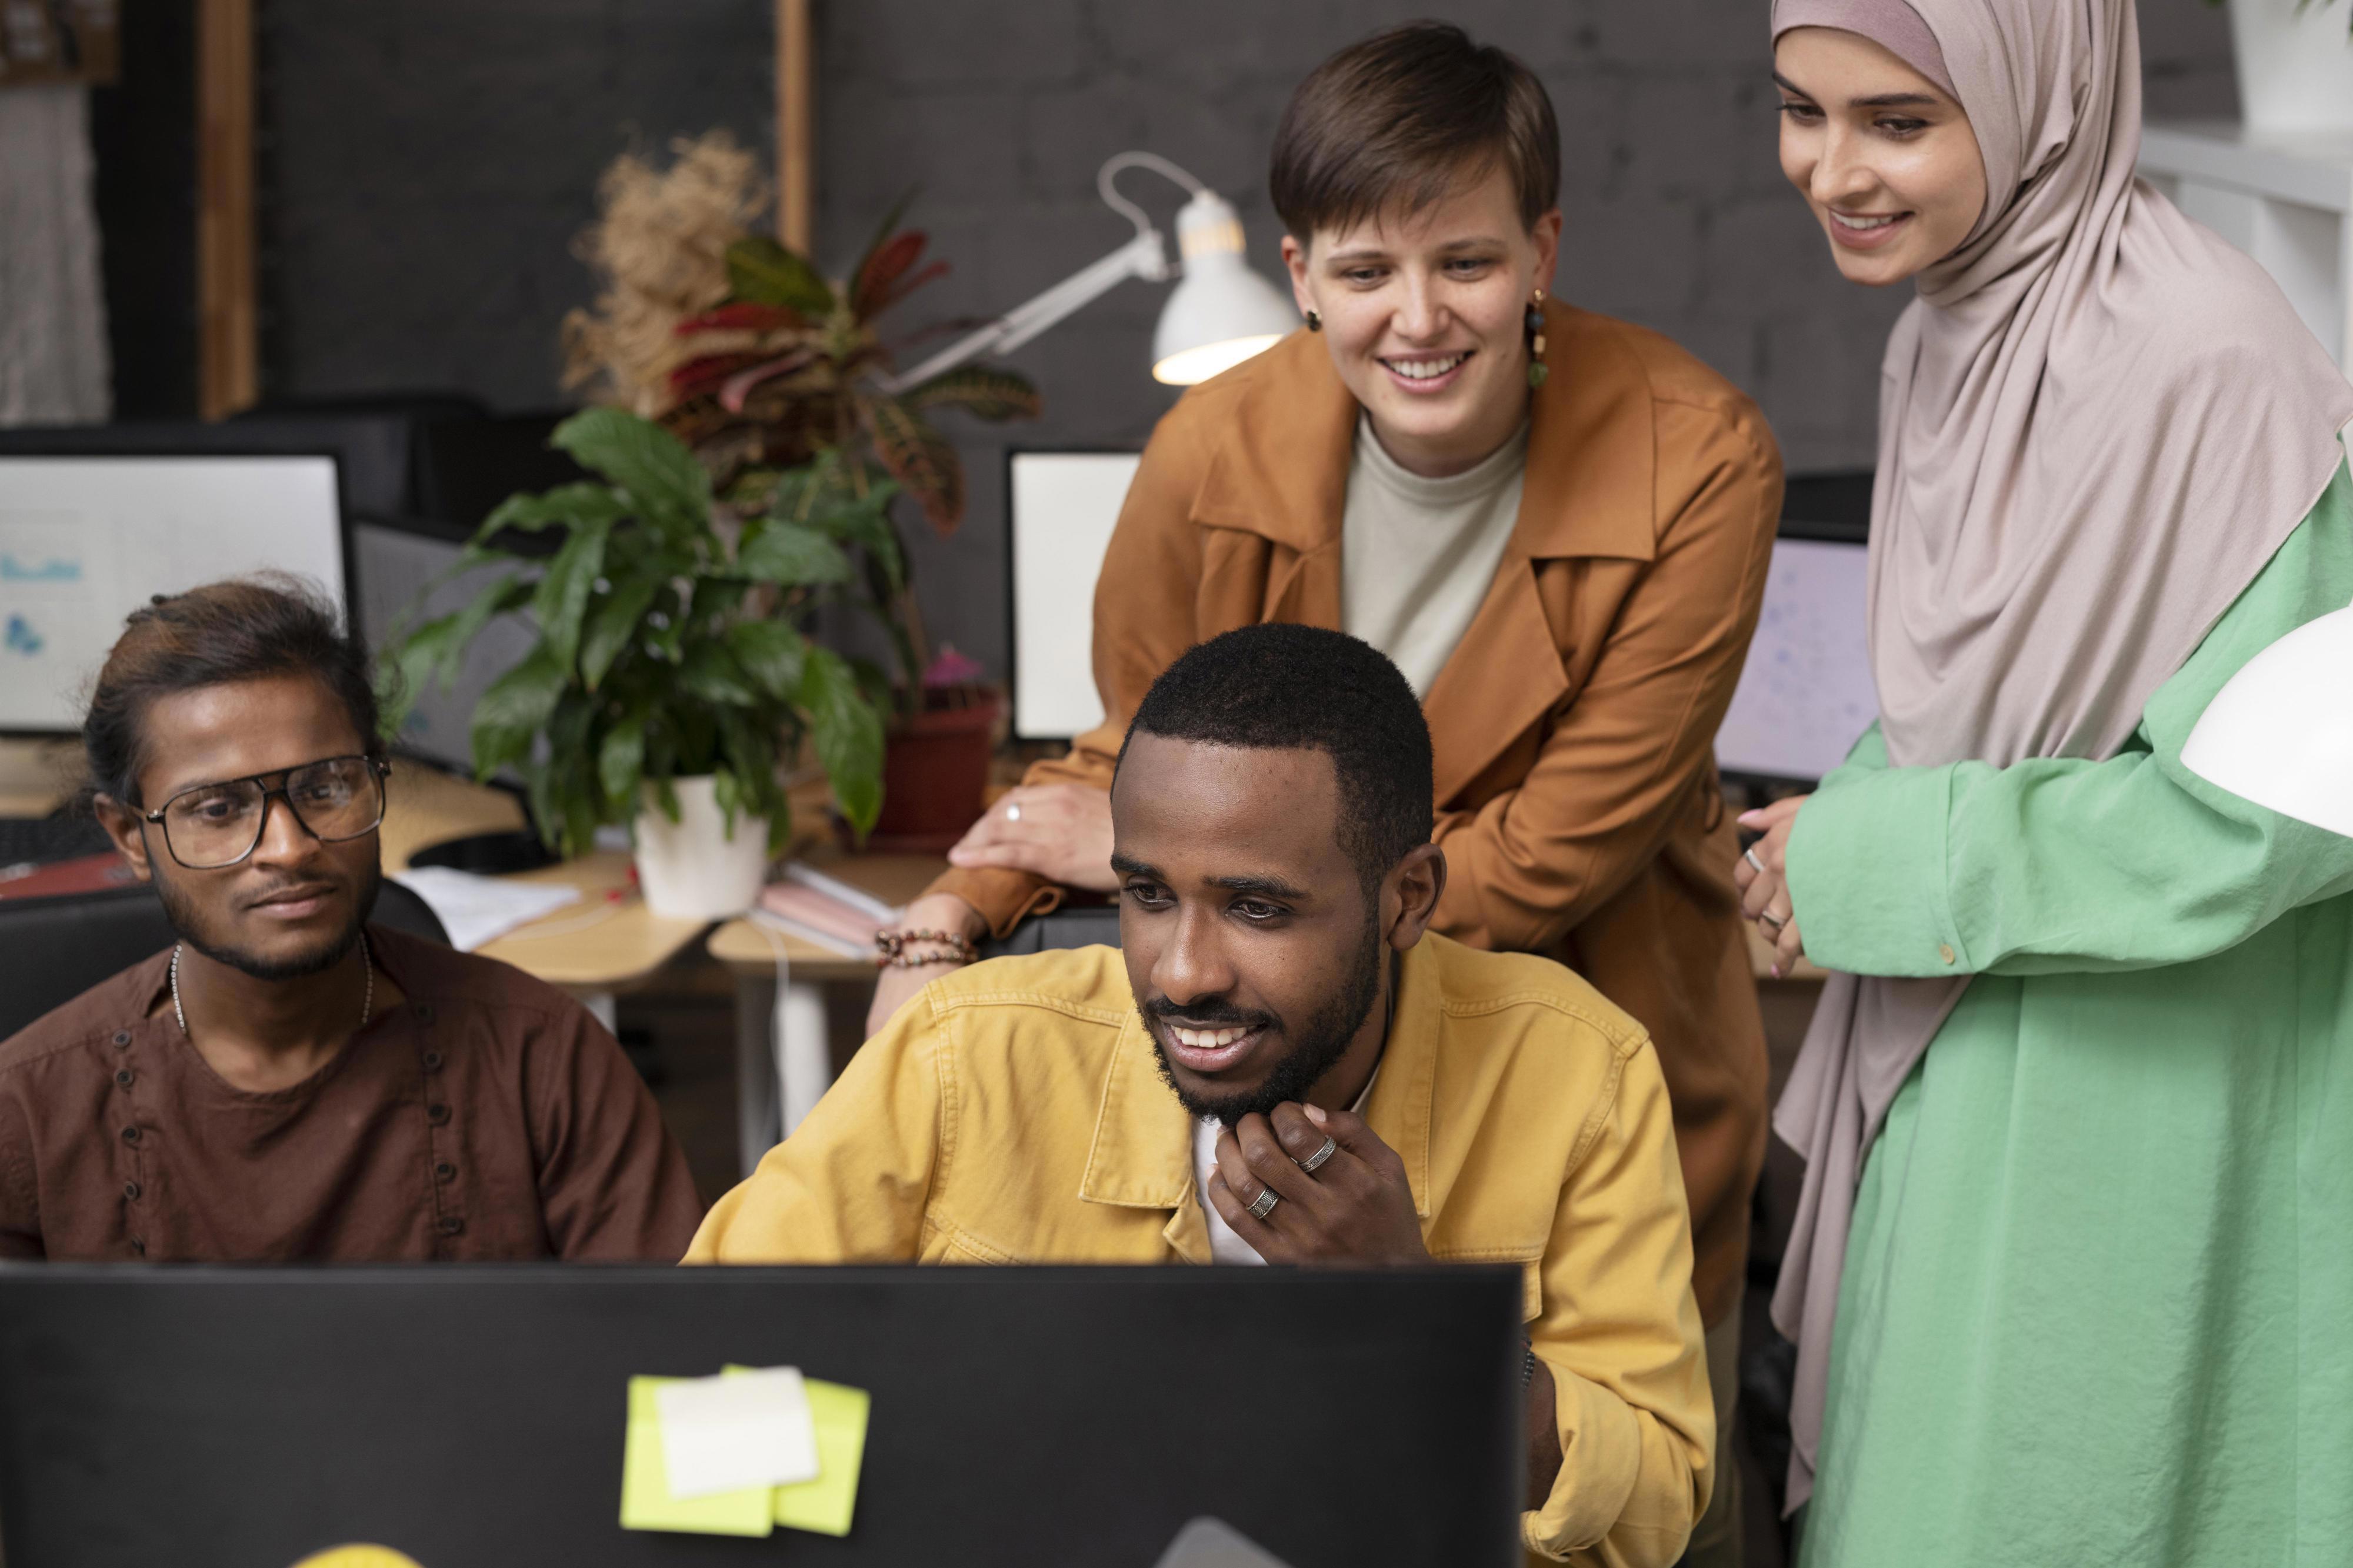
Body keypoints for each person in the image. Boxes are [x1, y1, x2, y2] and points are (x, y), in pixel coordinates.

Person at [871, 28, 1781, 1557]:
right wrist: (946, 919)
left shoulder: (1699, 461)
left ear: (1544, 250)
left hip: (1583, 1043)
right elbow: (1137, 754)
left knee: (1609, 1493)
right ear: (1297, 273)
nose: (1417, 319)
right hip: (1309, 1063)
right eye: (1366, 272)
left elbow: (1553, 859)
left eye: (1469, 262)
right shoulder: (1210, 446)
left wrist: (1169, 859)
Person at [696, 625, 1713, 1566]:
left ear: (1407, 898)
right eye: (1146, 895)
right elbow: (695, 1397)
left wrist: (1422, 1319)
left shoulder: (1581, 1070)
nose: (1182, 973)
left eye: (1257, 907)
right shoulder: (968, 1053)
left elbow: (1657, 1511)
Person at [1740, 4, 2353, 1561]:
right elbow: (1992, 695)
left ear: (2044, 96)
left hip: (2138, 1094)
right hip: (1975, 1021)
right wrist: (1828, 842)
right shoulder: (1963, 317)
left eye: (1895, 121)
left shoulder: (2214, 363)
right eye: (1803, 110)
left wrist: (1873, 861)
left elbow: (2281, 814)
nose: (1831, 171)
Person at [0, 578, 704, 1262]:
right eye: (218, 808)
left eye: (326, 786)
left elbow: (662, 1347)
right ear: (128, 836)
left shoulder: (544, 1056)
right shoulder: (26, 1108)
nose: (290, 846)